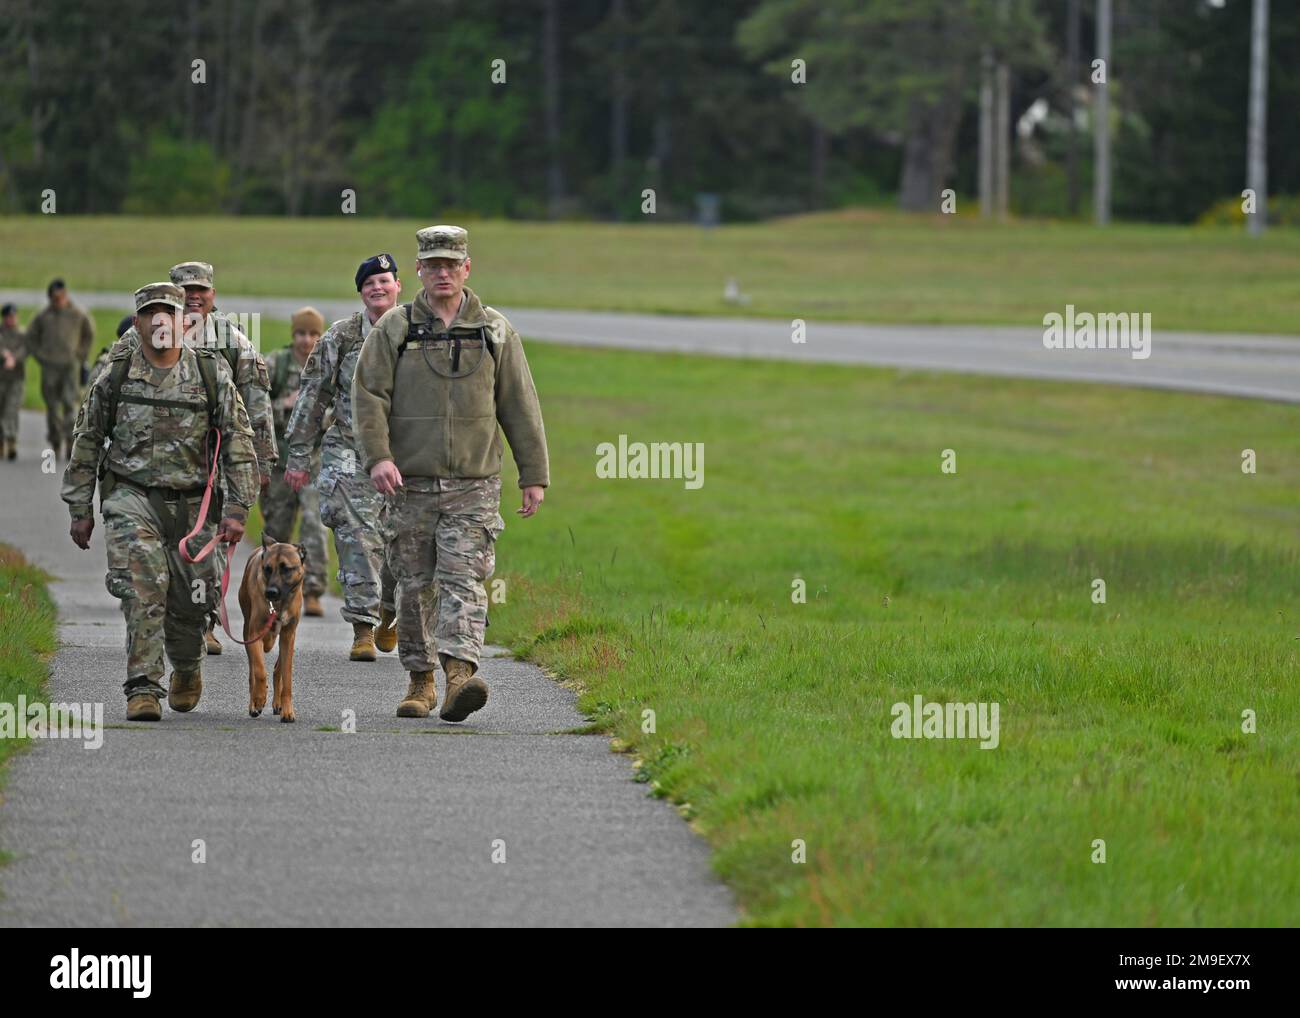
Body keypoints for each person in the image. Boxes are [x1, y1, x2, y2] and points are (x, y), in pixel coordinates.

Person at [353, 226, 549, 722]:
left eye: (451, 264)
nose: (443, 272)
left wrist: (534, 473)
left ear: (467, 268)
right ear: (418, 271)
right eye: (433, 265)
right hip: (410, 484)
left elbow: (519, 404)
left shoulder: (495, 330)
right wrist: (378, 457)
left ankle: (460, 675)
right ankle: (420, 680)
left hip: (474, 484)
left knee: (464, 580)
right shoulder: (394, 330)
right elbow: (369, 396)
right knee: (415, 585)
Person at [61, 283, 257, 721]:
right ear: (139, 322)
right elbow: (87, 438)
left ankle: (186, 666)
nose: (160, 321)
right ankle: (142, 687)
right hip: (133, 499)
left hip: (195, 507)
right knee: (143, 590)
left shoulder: (209, 374)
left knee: (190, 600)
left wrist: (238, 509)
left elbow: (239, 442)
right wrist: (80, 508)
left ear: (182, 321)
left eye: (167, 312)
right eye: (150, 314)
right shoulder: (116, 374)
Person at [284, 255, 400, 660]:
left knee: (401, 539)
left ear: (398, 286)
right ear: (361, 292)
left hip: (406, 452)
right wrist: (298, 454)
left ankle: (390, 610)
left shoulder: (418, 333)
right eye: (369, 283)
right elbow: (313, 397)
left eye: (384, 280)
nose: (377, 288)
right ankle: (363, 626)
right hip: (350, 449)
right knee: (356, 532)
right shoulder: (341, 337)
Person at [168, 261, 277, 655]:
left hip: (216, 461)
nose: (194, 297)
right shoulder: (152, 333)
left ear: (213, 295)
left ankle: (204, 622)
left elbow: (258, 401)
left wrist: (261, 462)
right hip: (162, 462)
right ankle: (168, 619)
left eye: (201, 290)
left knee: (208, 543)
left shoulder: (231, 338)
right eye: (185, 290)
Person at [261, 308, 329, 616]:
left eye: (314, 334)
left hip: (315, 463)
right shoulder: (276, 363)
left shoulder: (327, 364)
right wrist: (283, 405)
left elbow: (341, 408)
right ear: (293, 335)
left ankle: (312, 589)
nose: (307, 340)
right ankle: (273, 589)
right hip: (280, 463)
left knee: (314, 525)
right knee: (277, 528)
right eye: (302, 333)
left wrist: (317, 414)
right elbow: (255, 408)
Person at [25, 279, 95, 459]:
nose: (59, 301)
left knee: (69, 404)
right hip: (49, 366)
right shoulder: (43, 316)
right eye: (55, 298)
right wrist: (40, 355)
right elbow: (30, 337)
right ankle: (55, 441)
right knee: (52, 407)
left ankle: (70, 442)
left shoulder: (78, 314)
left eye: (62, 297)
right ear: (50, 298)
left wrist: (80, 354)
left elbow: (89, 333)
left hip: (70, 366)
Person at [0, 303, 27, 461]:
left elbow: (26, 349)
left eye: (14, 316)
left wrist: (14, 358)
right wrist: (4, 356)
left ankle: (11, 442)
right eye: (9, 317)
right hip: (1, 378)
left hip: (16, 378)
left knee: (11, 409)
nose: (12, 319)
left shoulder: (22, 334)